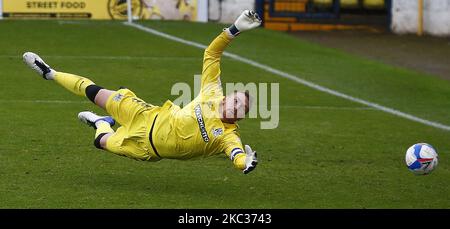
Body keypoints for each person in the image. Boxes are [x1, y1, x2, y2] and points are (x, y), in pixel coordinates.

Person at [22, 10, 261, 174]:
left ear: (241, 117)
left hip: (146, 148)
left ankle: (101, 124)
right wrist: (233, 29)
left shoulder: (227, 136)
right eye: (236, 101)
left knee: (101, 142)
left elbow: (237, 155)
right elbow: (211, 54)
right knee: (96, 92)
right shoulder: (212, 93)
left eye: (241, 109)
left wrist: (244, 163)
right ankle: (50, 72)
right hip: (146, 114)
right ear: (228, 97)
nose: (236, 107)